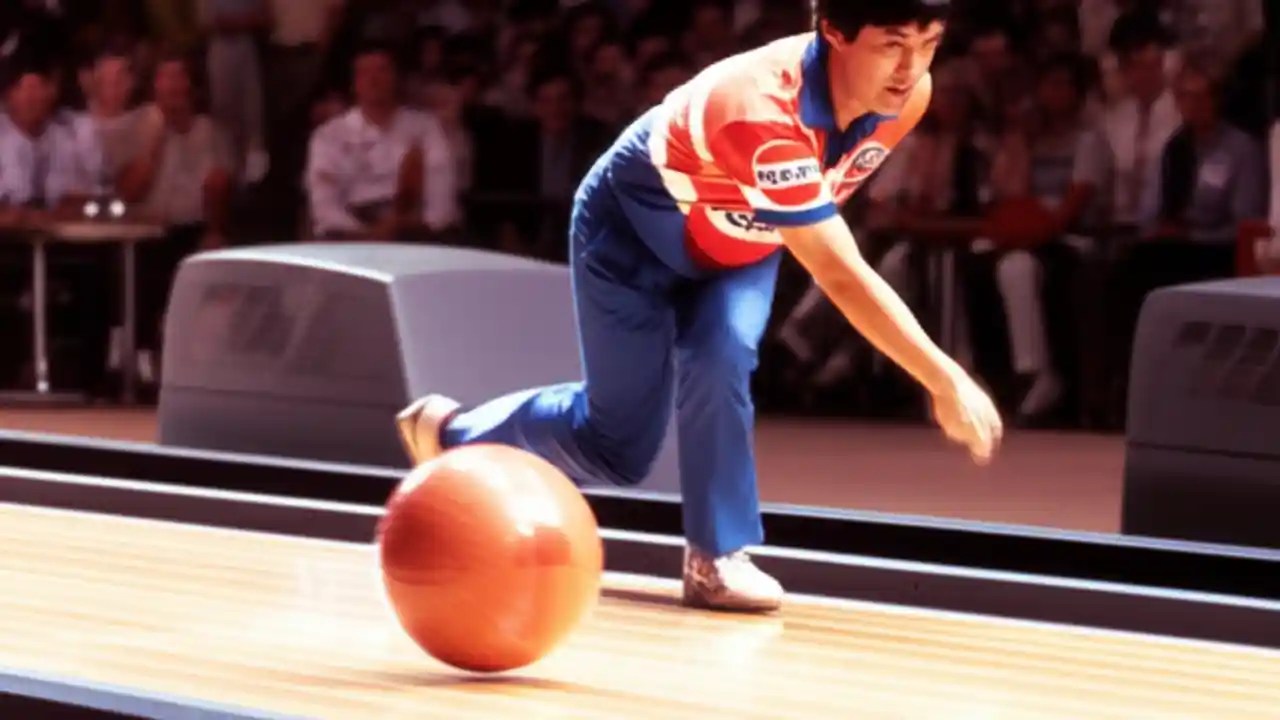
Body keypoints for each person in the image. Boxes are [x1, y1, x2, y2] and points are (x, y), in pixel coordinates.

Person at [397, 0, 1003, 613]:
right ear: (834, 31)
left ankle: (717, 556)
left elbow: (819, 201)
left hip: (740, 242)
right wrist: (943, 377)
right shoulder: (758, 109)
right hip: (631, 232)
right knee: (619, 447)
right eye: (892, 45)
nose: (911, 68)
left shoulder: (909, 98)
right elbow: (839, 273)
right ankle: (453, 433)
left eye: (929, 43)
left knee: (723, 356)